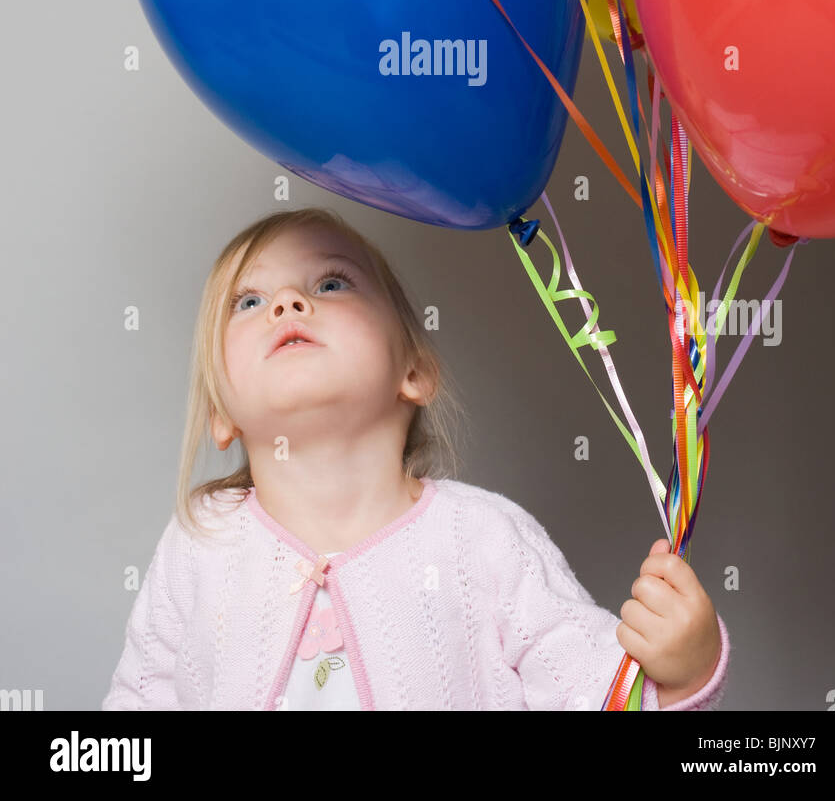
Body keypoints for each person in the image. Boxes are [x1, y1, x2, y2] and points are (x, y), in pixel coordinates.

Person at [101, 206, 729, 711]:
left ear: (415, 372)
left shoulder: (486, 539)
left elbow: (596, 694)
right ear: (221, 414)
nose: (288, 302)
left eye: (330, 282)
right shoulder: (199, 545)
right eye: (248, 301)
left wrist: (682, 673)